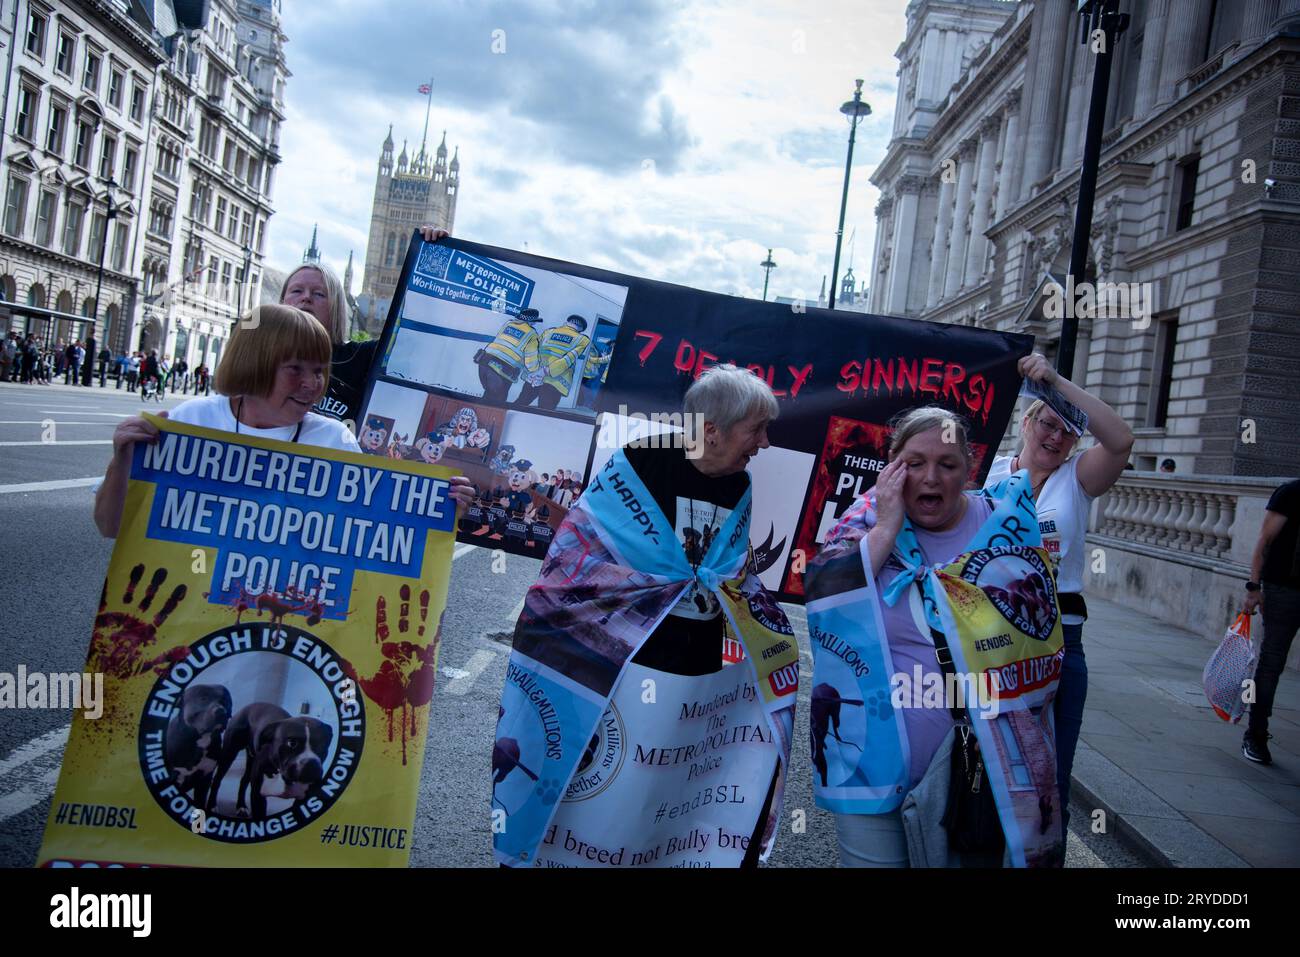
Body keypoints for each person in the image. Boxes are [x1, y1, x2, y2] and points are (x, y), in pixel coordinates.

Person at [491, 363, 789, 868]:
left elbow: (732, 574)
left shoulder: (740, 483)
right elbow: (578, 555)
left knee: (659, 794)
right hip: (619, 667)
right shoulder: (642, 460)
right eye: (756, 429)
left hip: (692, 673)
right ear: (711, 430)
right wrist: (662, 583)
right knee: (604, 787)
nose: (763, 443)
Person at [95, 303, 475, 538]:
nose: (312, 384)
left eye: (320, 370)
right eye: (295, 369)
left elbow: (371, 539)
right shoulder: (190, 421)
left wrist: (441, 509)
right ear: (255, 363)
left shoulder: (335, 441)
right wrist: (121, 459)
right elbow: (112, 527)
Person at [983, 353, 1133, 826]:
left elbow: (1122, 438)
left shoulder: (1078, 479)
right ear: (1028, 421)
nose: (1055, 437)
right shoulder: (987, 472)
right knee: (985, 771)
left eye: (1068, 431)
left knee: (1052, 781)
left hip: (1061, 643)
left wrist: (1056, 381)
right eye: (1048, 423)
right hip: (986, 638)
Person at [281, 227, 448, 428]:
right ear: (282, 301)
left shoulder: (358, 358)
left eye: (319, 294)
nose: (306, 297)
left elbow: (416, 339)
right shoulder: (260, 355)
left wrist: (433, 257)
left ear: (336, 308)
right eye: (297, 290)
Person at [1242, 478, 1300, 765]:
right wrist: (1254, 588)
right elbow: (1264, 541)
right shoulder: (1292, 492)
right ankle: (1256, 733)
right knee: (1271, 663)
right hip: (1284, 590)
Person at [517, 314, 590, 410]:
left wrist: (533, 371)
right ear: (581, 329)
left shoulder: (549, 331)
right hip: (556, 381)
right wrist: (545, 372)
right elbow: (568, 359)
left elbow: (533, 350)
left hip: (534, 377)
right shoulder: (583, 339)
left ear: (567, 322)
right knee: (545, 413)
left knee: (519, 405)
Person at [474, 307, 542, 403]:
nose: (535, 324)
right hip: (502, 370)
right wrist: (536, 371)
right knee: (496, 403)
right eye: (535, 321)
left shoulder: (508, 324)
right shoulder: (532, 334)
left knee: (488, 397)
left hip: (484, 362)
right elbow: (531, 364)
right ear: (532, 321)